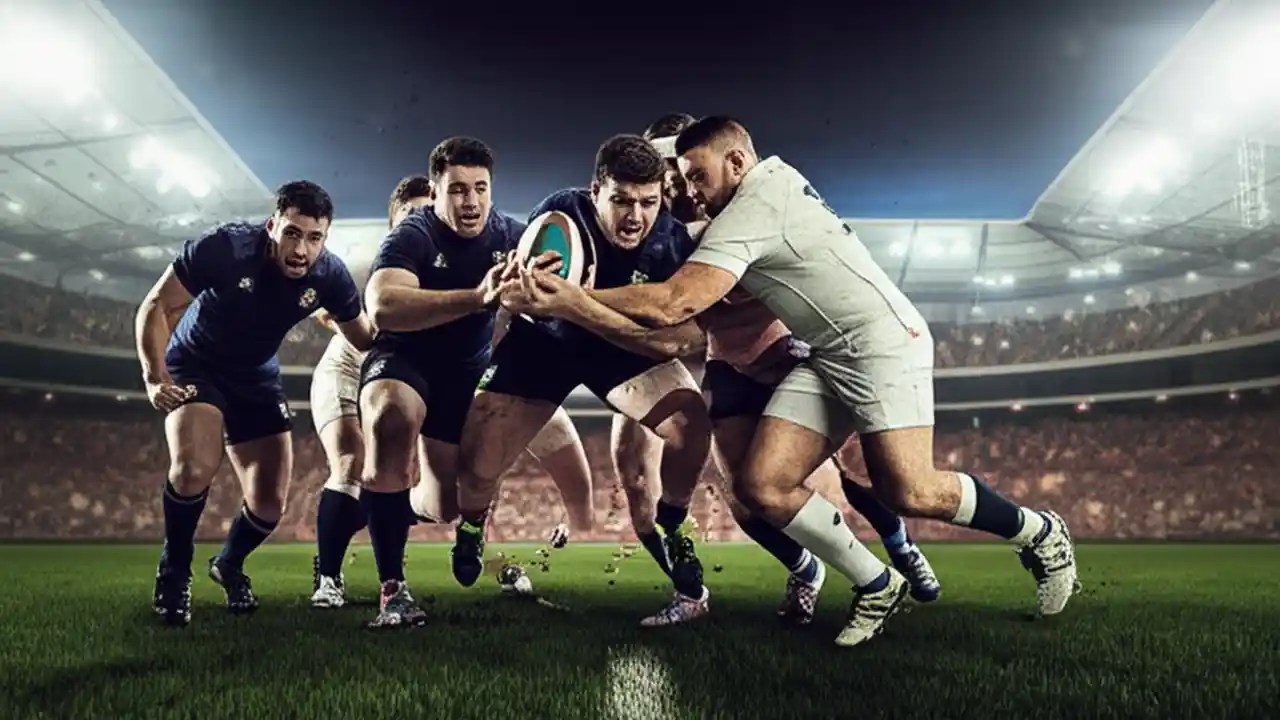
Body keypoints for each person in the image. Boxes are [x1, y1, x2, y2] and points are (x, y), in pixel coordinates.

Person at [546, 116, 1079, 647]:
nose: (689, 192)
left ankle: (1042, 533)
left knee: (908, 488)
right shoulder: (749, 194)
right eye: (681, 179)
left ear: (736, 162)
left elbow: (674, 303)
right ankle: (877, 583)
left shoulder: (750, 210)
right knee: (760, 486)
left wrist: (571, 295)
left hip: (880, 346)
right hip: (825, 355)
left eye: (697, 177)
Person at [457, 134, 713, 627]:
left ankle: (675, 523)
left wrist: (584, 303)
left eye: (647, 202)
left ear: (662, 194)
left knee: (690, 424)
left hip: (619, 349)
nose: (634, 216)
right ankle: (471, 524)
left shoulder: (673, 241)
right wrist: (516, 297)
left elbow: (681, 338)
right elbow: (518, 298)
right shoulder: (559, 216)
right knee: (477, 465)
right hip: (544, 346)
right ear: (596, 189)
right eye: (620, 200)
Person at [307, 175, 595, 609]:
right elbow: (371, 329)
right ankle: (330, 577)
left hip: (438, 368)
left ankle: (386, 523)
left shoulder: (472, 252)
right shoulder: (399, 257)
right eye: (414, 218)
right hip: (356, 362)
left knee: (443, 503)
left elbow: (547, 420)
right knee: (355, 460)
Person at [139, 180, 374, 627]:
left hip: (256, 377)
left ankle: (228, 564)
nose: (301, 249)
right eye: (292, 233)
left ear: (325, 238)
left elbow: (364, 337)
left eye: (314, 237)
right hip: (196, 365)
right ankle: (174, 569)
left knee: (268, 506)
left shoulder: (330, 276)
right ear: (273, 226)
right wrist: (155, 377)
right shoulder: (226, 248)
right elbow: (156, 306)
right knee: (193, 468)